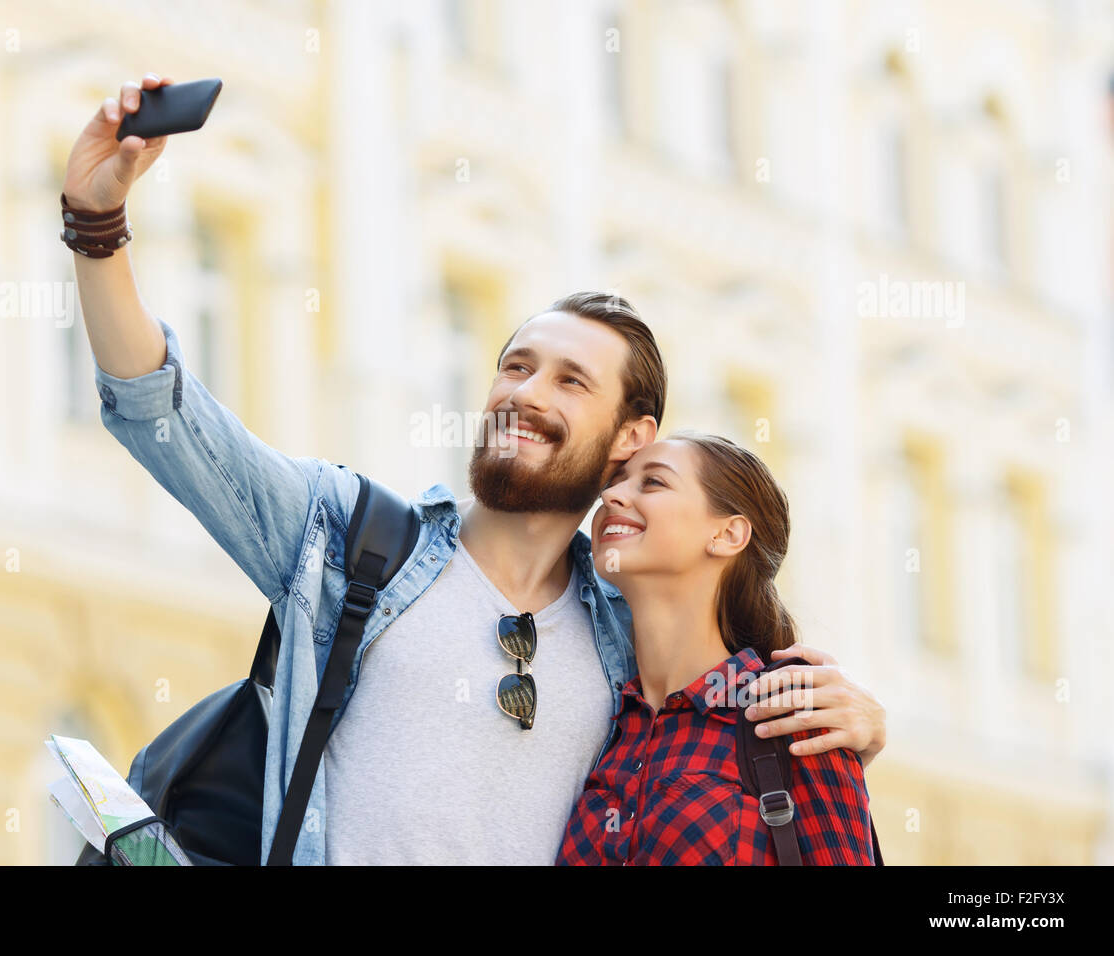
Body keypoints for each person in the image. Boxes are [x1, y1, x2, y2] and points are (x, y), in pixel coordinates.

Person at [62, 73, 887, 865]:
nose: (524, 394)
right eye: (516, 365)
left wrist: (865, 723)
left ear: (630, 439)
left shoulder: (632, 637)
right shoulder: (347, 540)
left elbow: (737, 721)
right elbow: (161, 412)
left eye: (570, 381)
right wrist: (97, 224)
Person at [558, 431, 875, 865]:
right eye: (614, 482)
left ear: (727, 535)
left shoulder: (789, 711)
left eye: (653, 482)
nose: (611, 495)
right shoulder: (603, 727)